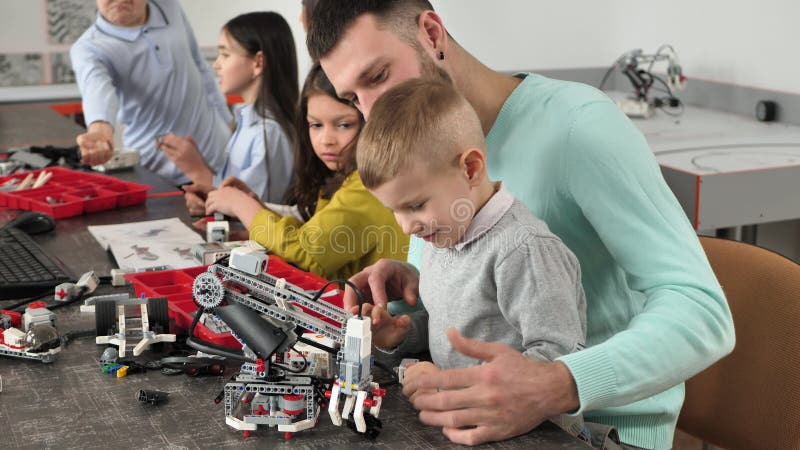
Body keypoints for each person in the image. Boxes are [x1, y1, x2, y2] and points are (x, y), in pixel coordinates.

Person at [307, 1, 735, 448]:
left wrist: (557, 383)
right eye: (353, 98)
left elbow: (703, 312)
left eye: (377, 77)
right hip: (479, 415)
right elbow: (489, 294)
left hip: (594, 432)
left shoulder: (577, 127)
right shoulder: (425, 157)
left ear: (432, 35)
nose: (372, 112)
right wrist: (418, 283)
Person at [356, 76, 588, 439]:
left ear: (470, 169)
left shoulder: (522, 248)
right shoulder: (444, 236)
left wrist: (450, 387)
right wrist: (398, 336)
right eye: (394, 211)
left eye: (415, 205)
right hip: (469, 427)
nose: (405, 227)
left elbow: (558, 367)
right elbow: (457, 330)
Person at [203, 64, 408, 281]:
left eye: (344, 125)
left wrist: (242, 206)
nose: (326, 140)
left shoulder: (368, 184)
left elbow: (308, 253)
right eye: (316, 125)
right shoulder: (344, 175)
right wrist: (253, 206)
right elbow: (316, 233)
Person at [71, 0, 232, 185]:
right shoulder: (88, 48)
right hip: (161, 172)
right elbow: (97, 92)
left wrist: (227, 121)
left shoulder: (169, 7)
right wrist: (99, 132)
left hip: (220, 157)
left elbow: (199, 64)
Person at [159, 11, 296, 204]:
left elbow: (255, 214)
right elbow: (231, 191)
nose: (216, 64)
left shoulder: (269, 134)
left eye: (225, 54)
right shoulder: (245, 122)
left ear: (258, 62)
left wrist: (196, 170)